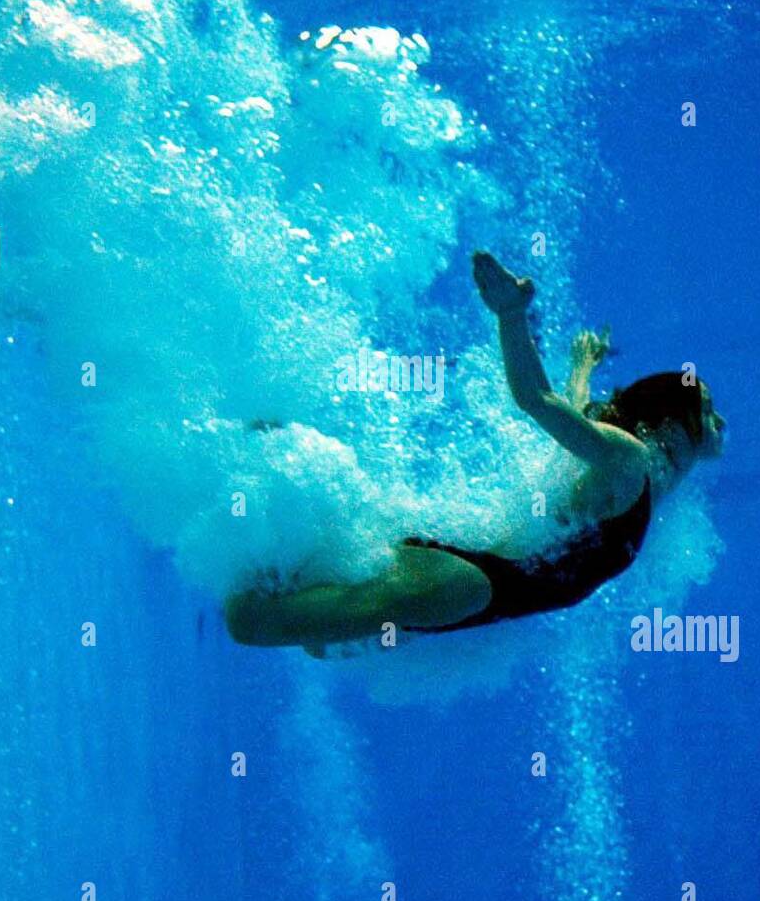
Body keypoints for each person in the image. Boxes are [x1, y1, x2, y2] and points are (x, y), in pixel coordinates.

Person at [225, 250, 725, 652]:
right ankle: (242, 450)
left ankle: (269, 474)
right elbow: (537, 401)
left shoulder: (636, 475)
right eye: (705, 408)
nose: (719, 420)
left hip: (480, 598)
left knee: (315, 616)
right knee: (257, 624)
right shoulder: (629, 459)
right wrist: (511, 315)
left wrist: (583, 367)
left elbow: (572, 424)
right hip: (472, 584)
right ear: (670, 421)